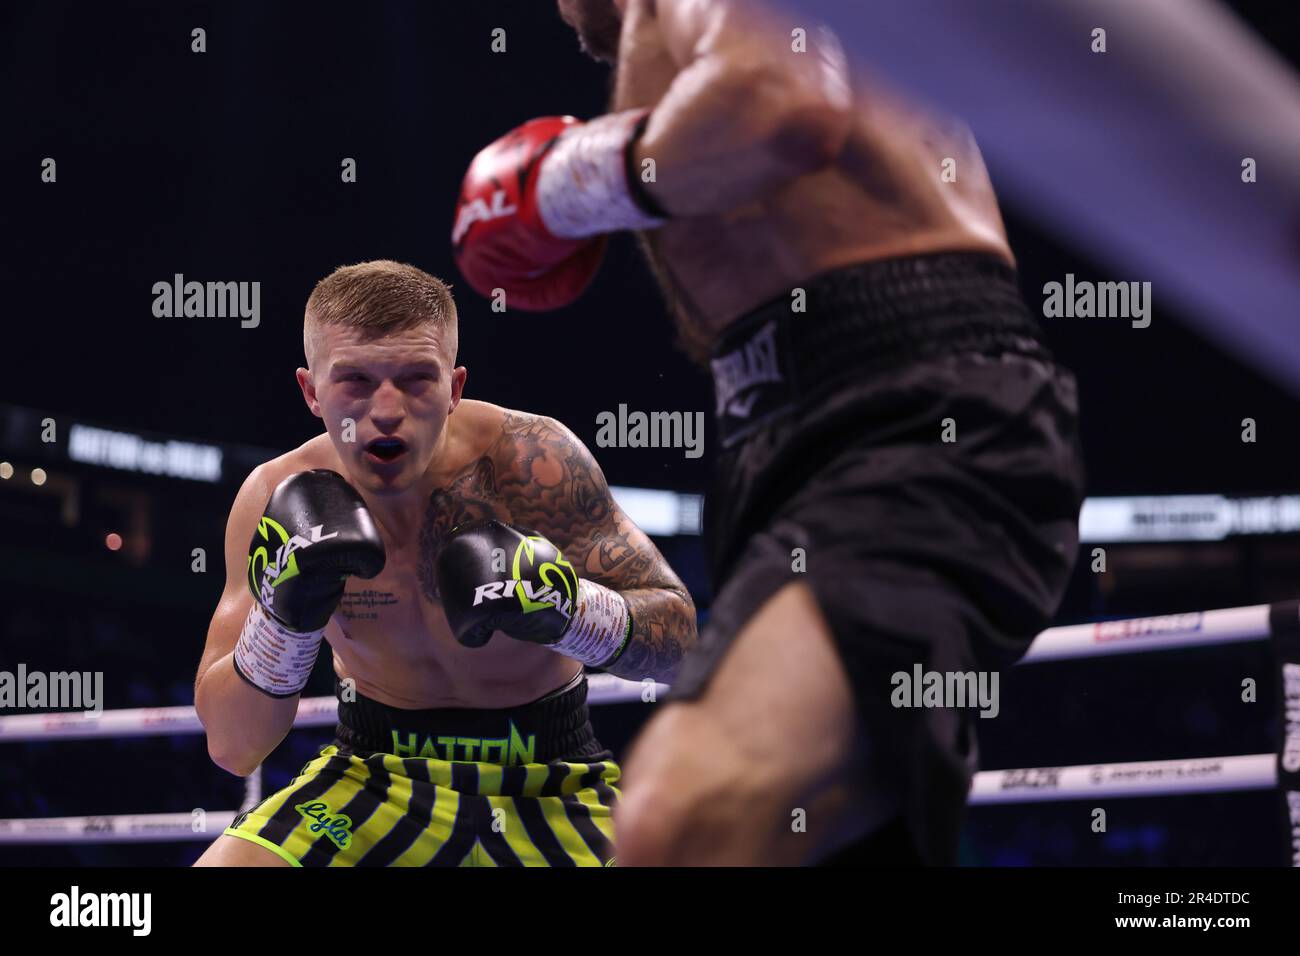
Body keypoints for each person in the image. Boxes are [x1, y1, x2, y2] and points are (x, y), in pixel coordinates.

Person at [452, 0, 1086, 864]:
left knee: (680, 818)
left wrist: (563, 182)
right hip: (797, 433)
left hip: (903, 413)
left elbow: (782, 103)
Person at [193, 260, 696, 866]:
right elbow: (233, 746)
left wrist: (569, 611)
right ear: (310, 391)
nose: (385, 410)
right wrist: (281, 623)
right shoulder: (274, 495)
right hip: (374, 780)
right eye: (355, 380)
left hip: (554, 781)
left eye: (415, 380)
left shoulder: (532, 464)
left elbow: (685, 646)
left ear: (455, 388)